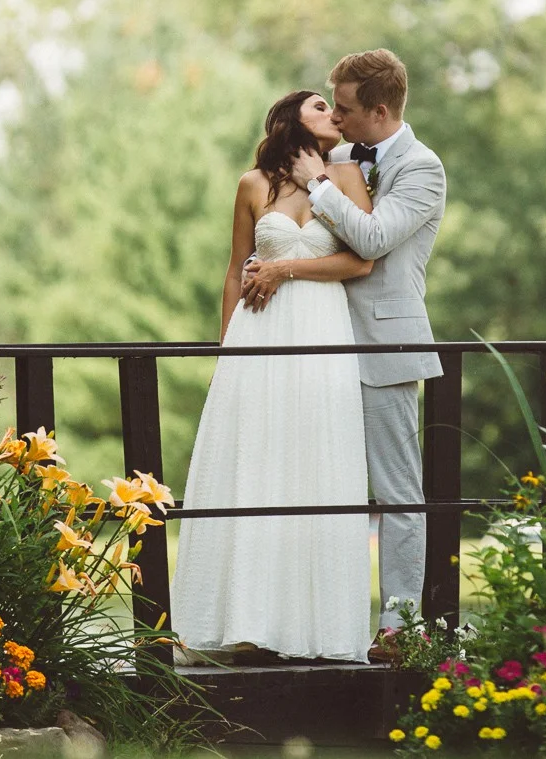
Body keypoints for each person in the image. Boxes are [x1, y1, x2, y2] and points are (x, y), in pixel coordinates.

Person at [247, 49, 447, 655]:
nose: (336, 114)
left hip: (384, 343)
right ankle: (288, 625)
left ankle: (397, 629)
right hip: (313, 344)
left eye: (347, 107)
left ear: (380, 110)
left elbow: (372, 240)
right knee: (305, 485)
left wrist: (316, 185)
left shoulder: (422, 168)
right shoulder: (333, 157)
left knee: (396, 491)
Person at [171, 89, 379, 663]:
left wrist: (285, 268)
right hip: (259, 336)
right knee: (255, 465)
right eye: (320, 107)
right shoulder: (253, 184)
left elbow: (359, 261)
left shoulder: (347, 178)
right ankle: (243, 620)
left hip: (322, 333)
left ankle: (314, 630)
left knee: (317, 463)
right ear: (290, 120)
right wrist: (227, 352)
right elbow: (236, 271)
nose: (334, 115)